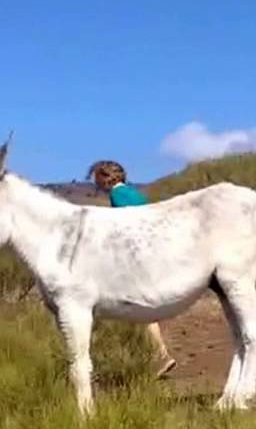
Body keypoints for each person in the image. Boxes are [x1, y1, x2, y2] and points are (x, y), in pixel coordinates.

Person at [87, 159, 178, 379]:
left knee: (136, 307)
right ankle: (155, 356)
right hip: (152, 253)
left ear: (105, 178)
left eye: (97, 180)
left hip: (137, 258)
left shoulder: (117, 196)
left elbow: (125, 228)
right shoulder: (134, 194)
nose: (96, 185)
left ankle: (161, 355)